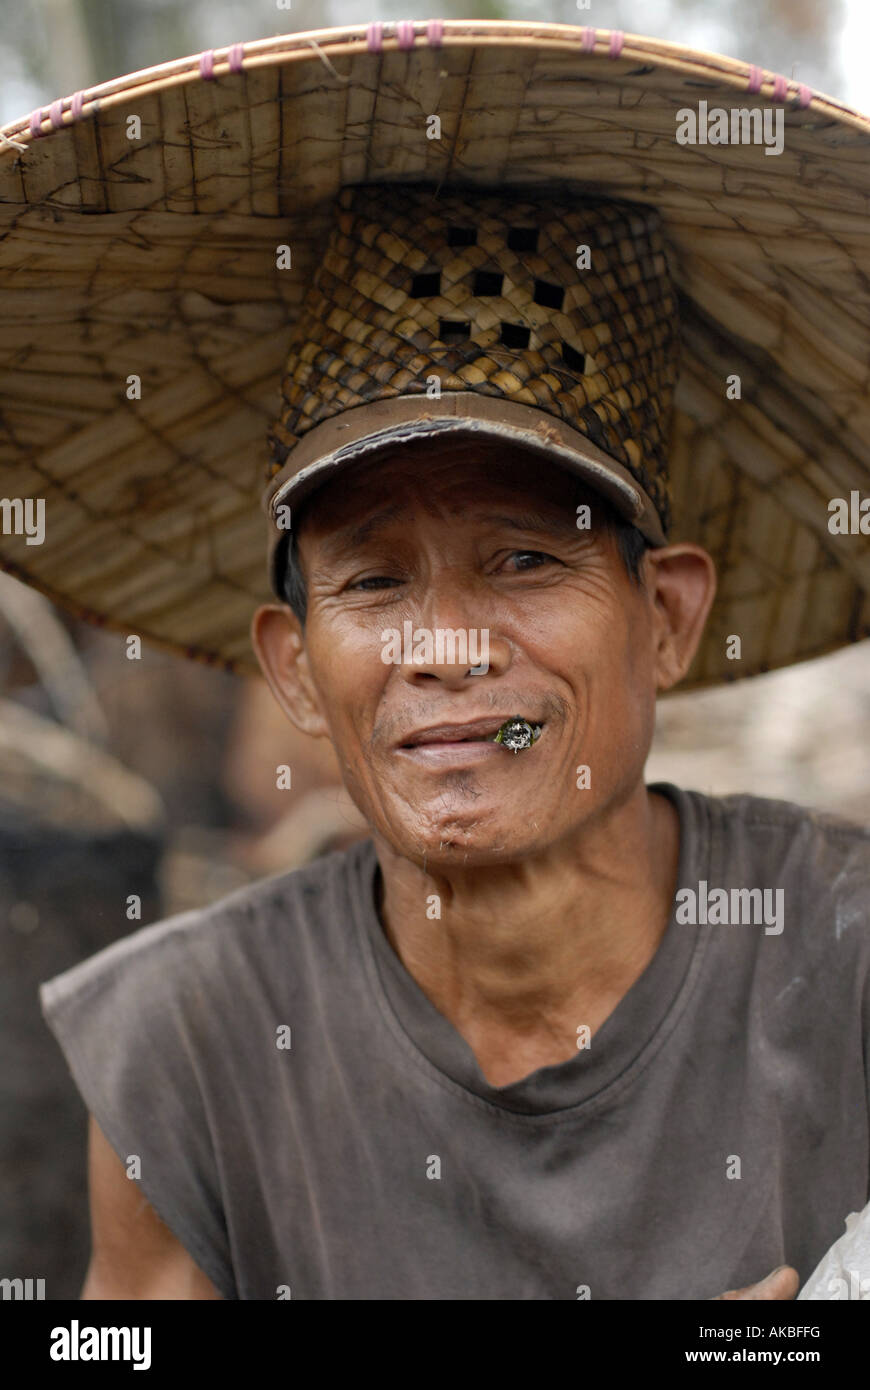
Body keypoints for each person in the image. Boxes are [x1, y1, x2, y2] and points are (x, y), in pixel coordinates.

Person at [3, 21, 867, 1300]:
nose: (446, 648)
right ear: (294, 666)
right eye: (375, 580)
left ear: (669, 617)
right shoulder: (188, 1035)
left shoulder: (839, 953)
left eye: (527, 561)